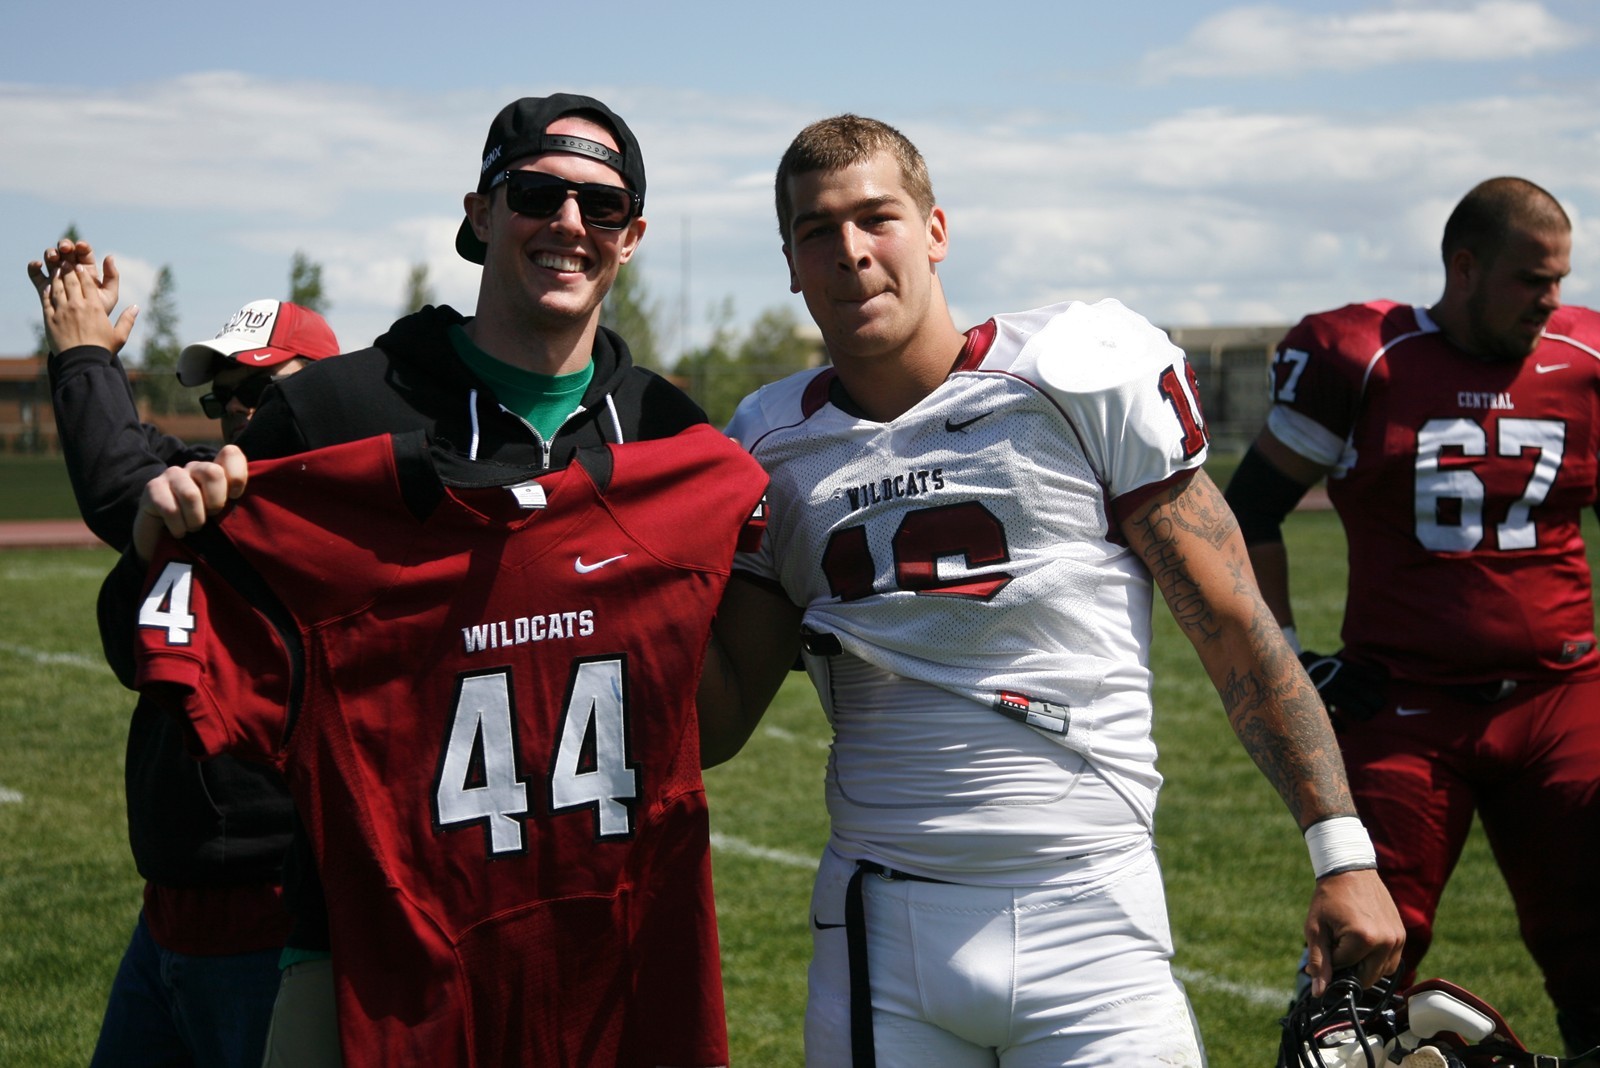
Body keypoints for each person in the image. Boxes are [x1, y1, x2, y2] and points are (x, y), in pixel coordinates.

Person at [695, 114, 1404, 1067]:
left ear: (935, 230)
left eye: (877, 218)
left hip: (1091, 915)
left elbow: (1238, 626)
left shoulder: (1073, 376)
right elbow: (719, 717)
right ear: (789, 262)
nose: (851, 252)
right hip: (880, 928)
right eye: (817, 230)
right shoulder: (770, 446)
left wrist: (1342, 851)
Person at [105, 93, 762, 1068]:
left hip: (607, 960)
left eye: (602, 206)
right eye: (536, 194)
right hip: (378, 959)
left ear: (632, 237)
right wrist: (157, 546)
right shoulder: (337, 414)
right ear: (481, 212)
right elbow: (156, 652)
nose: (569, 223)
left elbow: (725, 700)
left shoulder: (673, 438)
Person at [1222, 176, 1600, 1056]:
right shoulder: (1367, 358)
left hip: (1558, 696)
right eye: (1530, 279)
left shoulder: (1584, 361)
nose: (1551, 299)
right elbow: (1250, 511)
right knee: (1363, 956)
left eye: (1558, 278)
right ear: (1464, 268)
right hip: (1407, 705)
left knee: (1594, 935)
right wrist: (1291, 660)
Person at [31, 241, 337, 1068]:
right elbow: (137, 457)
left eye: (259, 390)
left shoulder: (318, 510)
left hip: (264, 927)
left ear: (328, 392)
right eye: (222, 395)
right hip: (170, 918)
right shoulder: (229, 484)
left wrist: (83, 357)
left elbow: (119, 479)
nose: (236, 411)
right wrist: (96, 361)